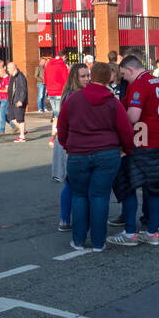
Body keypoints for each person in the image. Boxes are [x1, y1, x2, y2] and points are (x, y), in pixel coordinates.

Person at [58, 62, 134, 252]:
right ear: (109, 78)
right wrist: (126, 149)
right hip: (107, 154)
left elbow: (62, 126)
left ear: (91, 76)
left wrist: (68, 146)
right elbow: (126, 130)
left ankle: (78, 240)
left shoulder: (74, 98)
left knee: (79, 195)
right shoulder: (113, 102)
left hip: (78, 153)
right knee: (100, 197)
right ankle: (99, 243)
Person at [108, 55, 159, 247]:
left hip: (143, 142)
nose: (123, 78)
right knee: (155, 189)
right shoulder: (156, 81)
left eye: (123, 74)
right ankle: (152, 232)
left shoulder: (139, 84)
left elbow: (133, 116)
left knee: (128, 186)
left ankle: (130, 233)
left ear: (130, 69)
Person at [51, 62, 92, 231]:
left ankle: (65, 220)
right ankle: (73, 221)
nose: (87, 79)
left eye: (88, 75)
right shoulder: (75, 95)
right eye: (83, 76)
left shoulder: (70, 94)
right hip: (72, 143)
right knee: (76, 184)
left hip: (69, 142)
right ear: (75, 78)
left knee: (70, 183)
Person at [44, 52, 69, 134]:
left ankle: (54, 133)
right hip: (60, 91)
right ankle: (55, 133)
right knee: (59, 115)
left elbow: (45, 78)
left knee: (56, 114)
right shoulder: (62, 65)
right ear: (64, 57)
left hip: (51, 92)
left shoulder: (48, 65)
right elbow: (66, 80)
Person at [6, 61, 29, 142]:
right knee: (10, 117)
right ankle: (23, 130)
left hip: (18, 100)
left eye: (9, 68)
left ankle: (22, 136)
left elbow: (23, 90)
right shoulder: (12, 76)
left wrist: (21, 100)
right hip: (12, 100)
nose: (7, 70)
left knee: (20, 118)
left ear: (14, 68)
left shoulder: (20, 76)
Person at [0, 62, 10, 133]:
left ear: (3, 72)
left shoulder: (7, 79)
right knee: (4, 115)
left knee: (2, 115)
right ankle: (14, 126)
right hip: (3, 99)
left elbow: (6, 90)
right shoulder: (3, 79)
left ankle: (2, 130)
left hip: (5, 99)